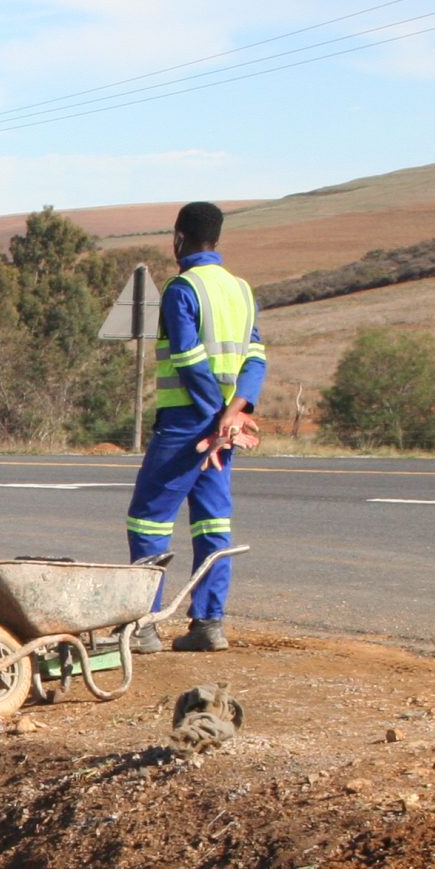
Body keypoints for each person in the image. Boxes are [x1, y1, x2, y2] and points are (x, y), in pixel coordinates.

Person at [124, 201, 265, 654]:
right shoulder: (241, 290)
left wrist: (214, 415)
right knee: (212, 522)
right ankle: (208, 624)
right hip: (223, 426)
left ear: (179, 237)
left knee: (147, 519)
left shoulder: (182, 288)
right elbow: (256, 357)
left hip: (189, 423)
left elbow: (187, 359)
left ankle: (144, 626)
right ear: (217, 239)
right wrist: (235, 411)